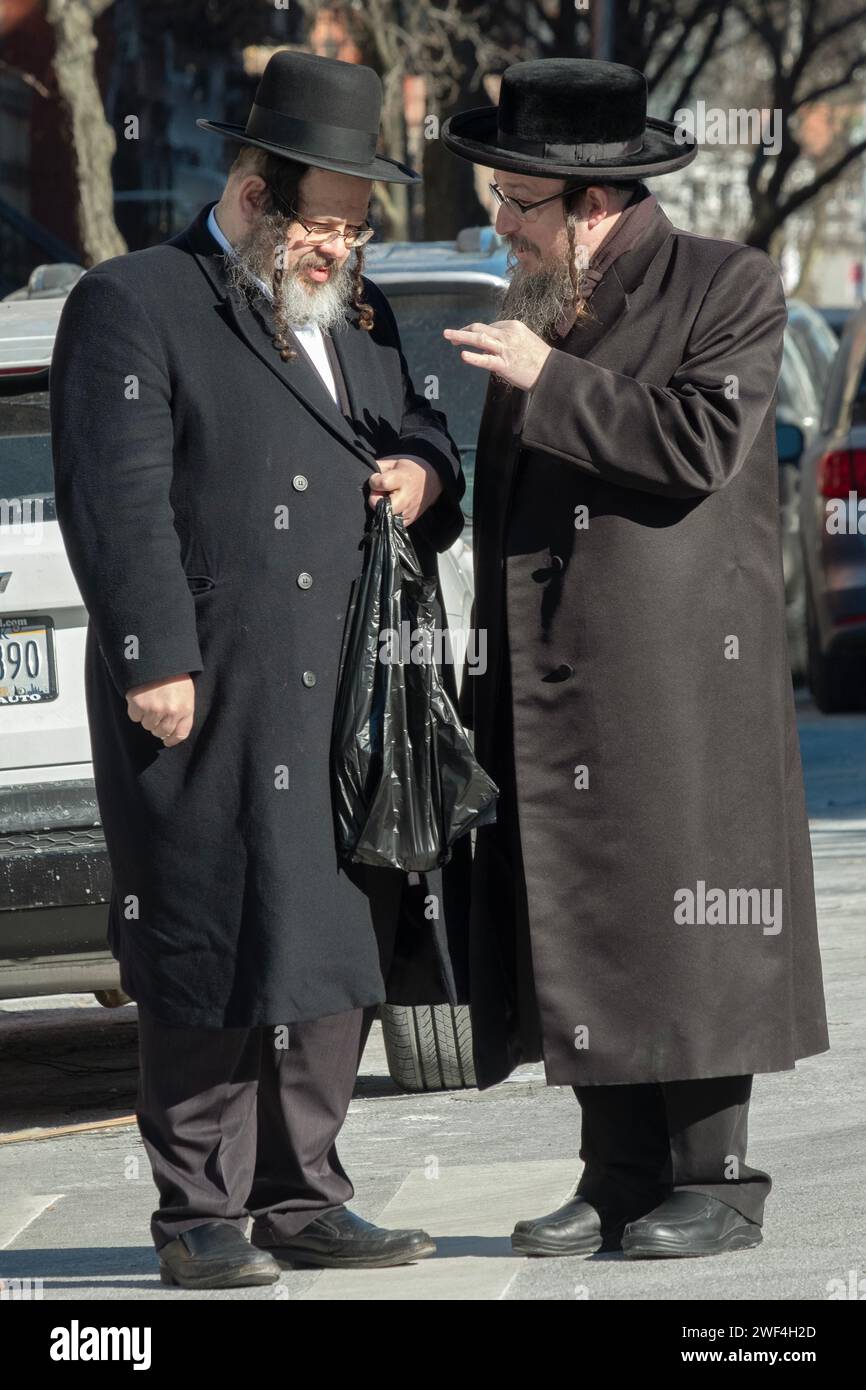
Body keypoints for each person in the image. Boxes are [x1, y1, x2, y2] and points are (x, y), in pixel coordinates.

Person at [50, 50, 468, 1289]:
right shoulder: (135, 300)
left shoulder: (364, 312)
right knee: (209, 931)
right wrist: (153, 658)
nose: (341, 247)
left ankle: (305, 1193)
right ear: (249, 194)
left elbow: (421, 421)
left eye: (354, 224)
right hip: (210, 681)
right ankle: (198, 1215)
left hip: (345, 687)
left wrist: (426, 474)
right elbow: (113, 502)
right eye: (323, 221)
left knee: (329, 937)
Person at [442, 57, 830, 1259]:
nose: (497, 224)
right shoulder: (543, 298)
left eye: (515, 202)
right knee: (581, 914)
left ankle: (716, 1183)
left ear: (589, 202)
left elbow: (697, 439)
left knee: (689, 919)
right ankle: (612, 1173)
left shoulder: (728, 283)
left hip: (676, 686)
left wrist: (548, 380)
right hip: (549, 676)